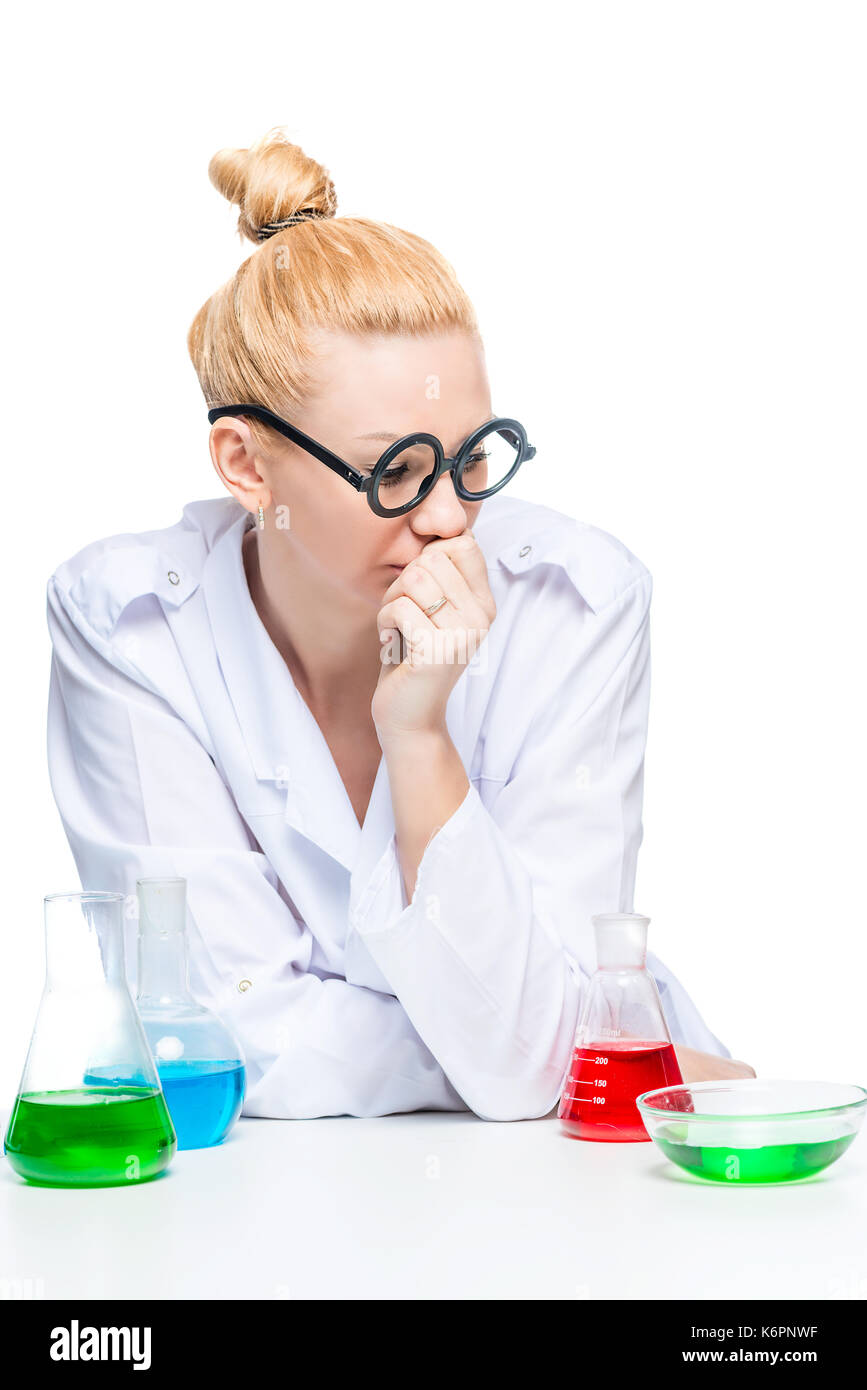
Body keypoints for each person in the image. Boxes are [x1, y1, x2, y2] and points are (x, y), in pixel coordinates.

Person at [45, 127, 754, 1122]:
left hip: (589, 1173)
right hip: (272, 1209)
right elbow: (216, 1031)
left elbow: (521, 1053)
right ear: (246, 466)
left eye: (473, 459)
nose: (450, 518)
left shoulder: (578, 600)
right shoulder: (125, 629)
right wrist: (569, 1055)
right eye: (398, 472)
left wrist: (418, 735)